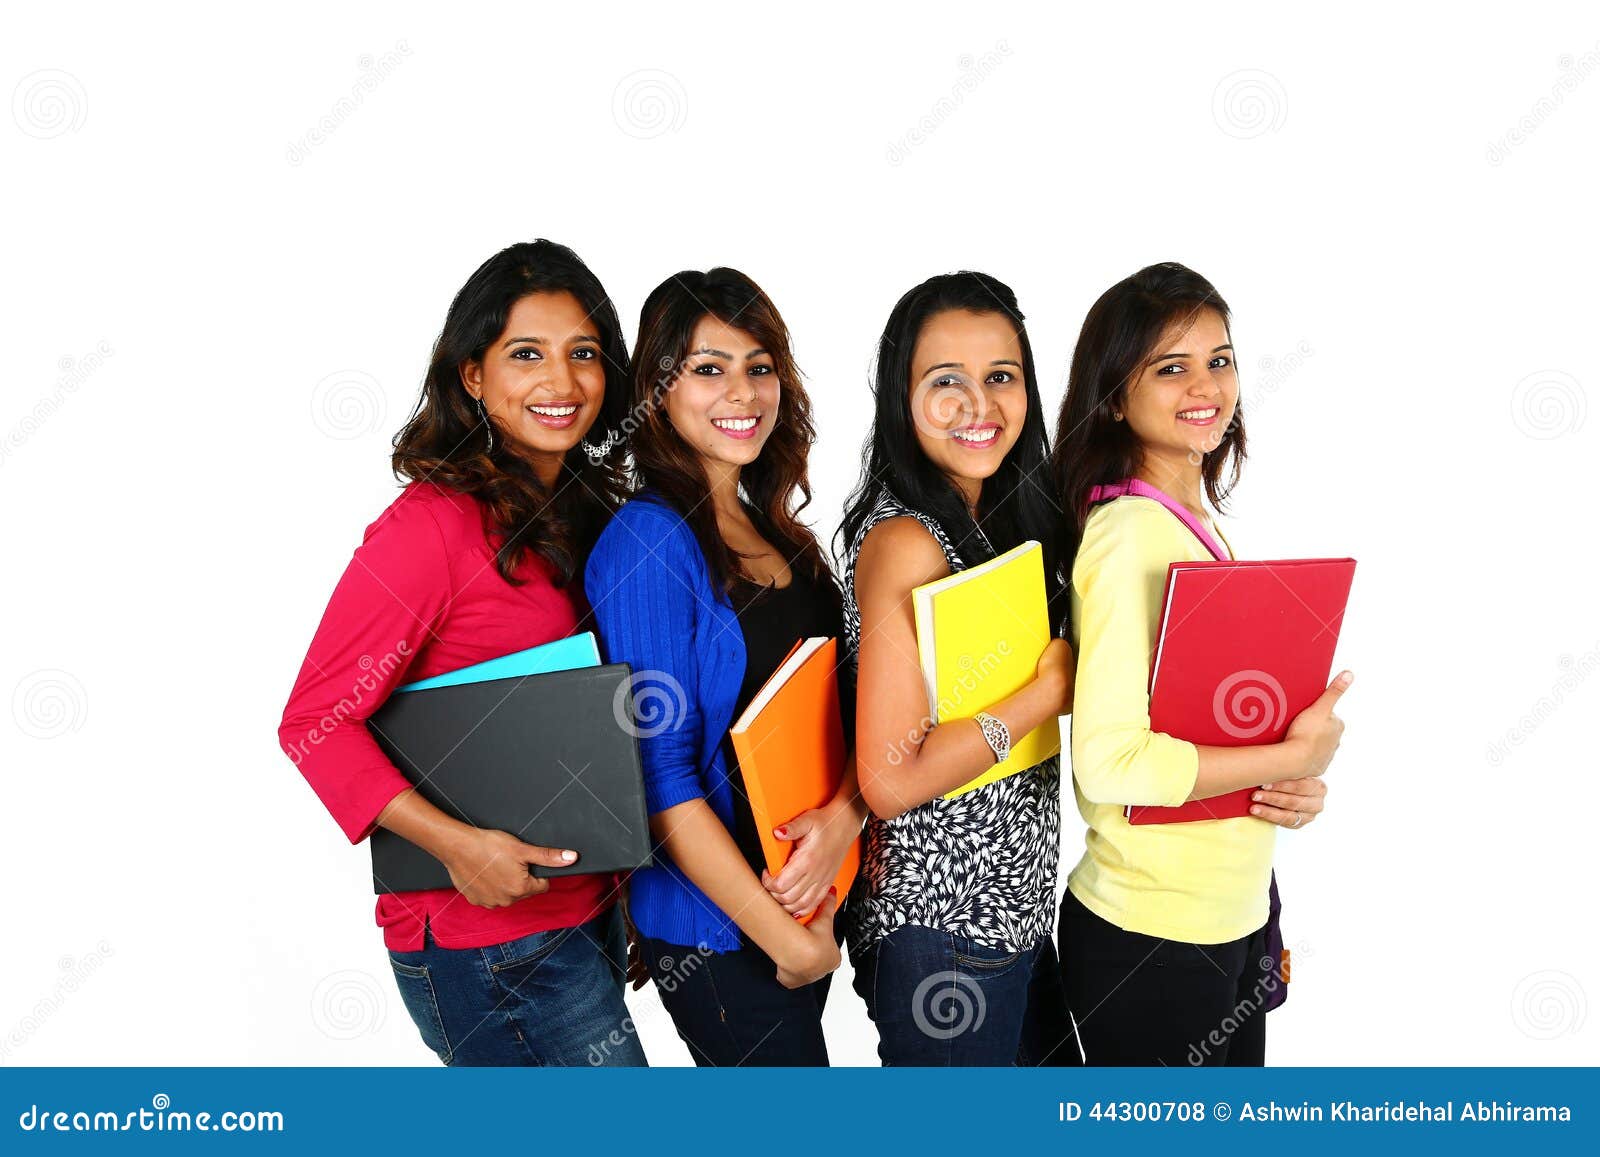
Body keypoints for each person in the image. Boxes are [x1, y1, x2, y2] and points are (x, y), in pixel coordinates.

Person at [277, 240, 645, 1066]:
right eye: (527, 354)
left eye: (583, 353)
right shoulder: (431, 527)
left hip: (585, 915)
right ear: (472, 375)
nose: (562, 381)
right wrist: (456, 845)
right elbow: (314, 723)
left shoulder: (583, 514)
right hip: (491, 945)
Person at [1050, 261, 1349, 1066]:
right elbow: (1109, 763)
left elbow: (1195, 726)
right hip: (1151, 938)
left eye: (1219, 359)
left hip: (1228, 921)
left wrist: (1282, 783)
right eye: (1170, 366)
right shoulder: (1128, 538)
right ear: (1116, 393)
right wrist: (1290, 754)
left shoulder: (1187, 524)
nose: (1206, 385)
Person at [584, 268, 860, 1066]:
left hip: (803, 900)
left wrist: (837, 835)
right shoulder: (649, 542)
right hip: (721, 927)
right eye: (708, 369)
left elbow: (828, 716)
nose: (741, 392)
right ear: (658, 390)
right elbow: (659, 778)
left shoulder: (783, 532)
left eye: (759, 366)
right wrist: (785, 936)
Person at [836, 271, 1075, 1066]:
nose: (981, 405)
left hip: (1010, 918)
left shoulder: (996, 516)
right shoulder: (908, 540)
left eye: (1001, 377)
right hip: (940, 930)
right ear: (902, 397)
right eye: (947, 382)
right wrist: (1044, 694)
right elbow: (891, 781)